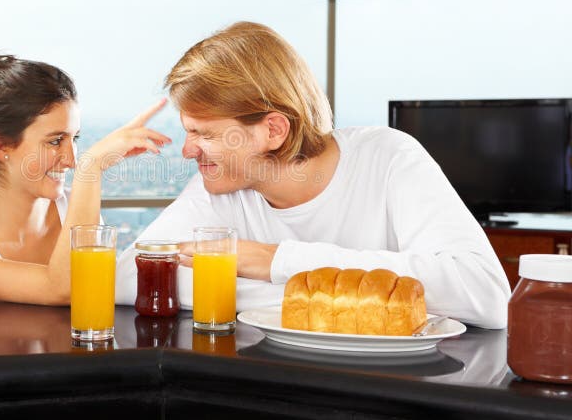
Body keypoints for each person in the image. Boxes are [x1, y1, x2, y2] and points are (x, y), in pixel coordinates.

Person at [115, 21, 510, 329]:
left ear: (273, 130)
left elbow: (484, 293)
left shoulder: (390, 159)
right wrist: (320, 297)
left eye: (205, 134)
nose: (187, 150)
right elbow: (132, 276)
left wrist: (273, 260)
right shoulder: (217, 187)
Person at [0, 53, 170, 304]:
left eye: (75, 139)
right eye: (55, 141)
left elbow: (95, 296)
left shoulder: (74, 208)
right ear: (1, 145)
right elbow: (65, 287)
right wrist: (90, 168)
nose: (71, 160)